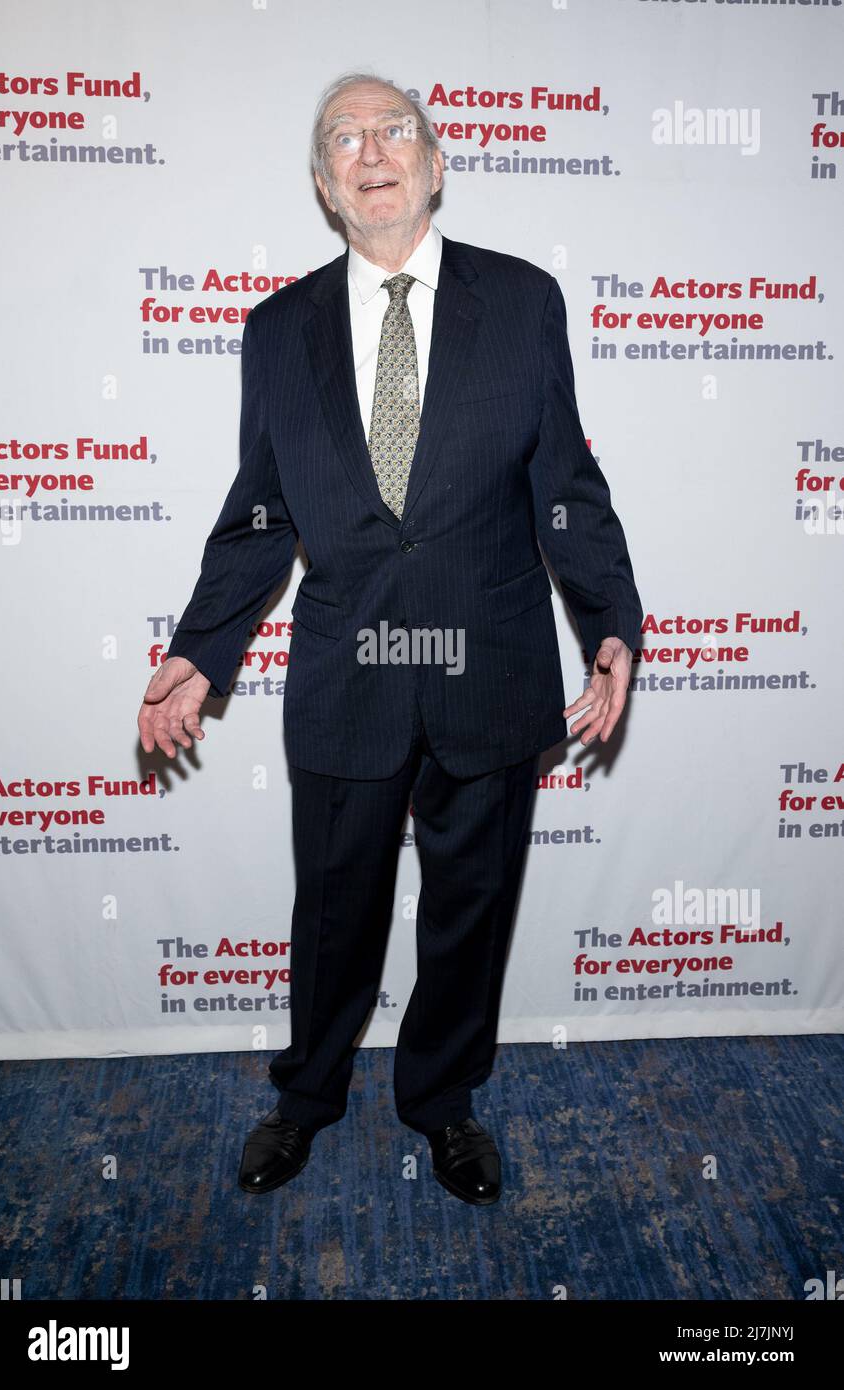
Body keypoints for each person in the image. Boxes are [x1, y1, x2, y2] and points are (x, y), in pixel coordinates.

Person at [137, 71, 643, 1206]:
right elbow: (259, 512)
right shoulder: (276, 332)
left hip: (491, 667)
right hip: (346, 677)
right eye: (342, 139)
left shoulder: (522, 302)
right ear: (324, 185)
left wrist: (610, 625)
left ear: (434, 157)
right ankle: (305, 1097)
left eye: (392, 130)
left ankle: (444, 1103)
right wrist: (200, 650)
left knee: (469, 913)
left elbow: (565, 485)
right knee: (332, 917)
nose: (370, 150)